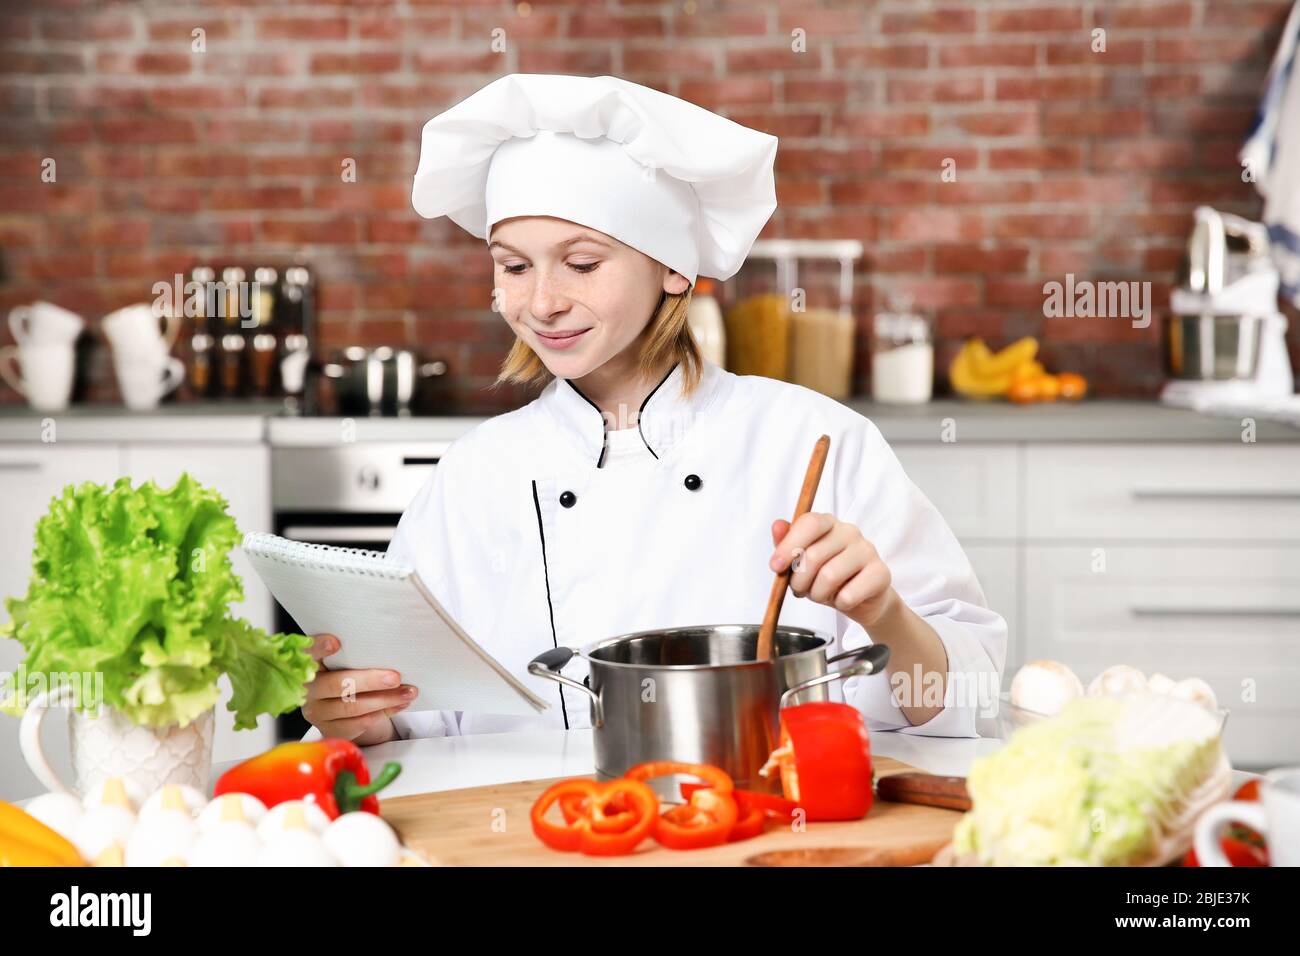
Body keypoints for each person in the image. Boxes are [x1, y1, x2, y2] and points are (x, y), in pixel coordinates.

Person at [302, 73, 1006, 746]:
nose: (541, 301)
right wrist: (365, 713)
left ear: (673, 267)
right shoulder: (473, 474)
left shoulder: (814, 441)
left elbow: (966, 696)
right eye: (513, 266)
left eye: (581, 264)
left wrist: (882, 612)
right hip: (532, 838)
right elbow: (419, 716)